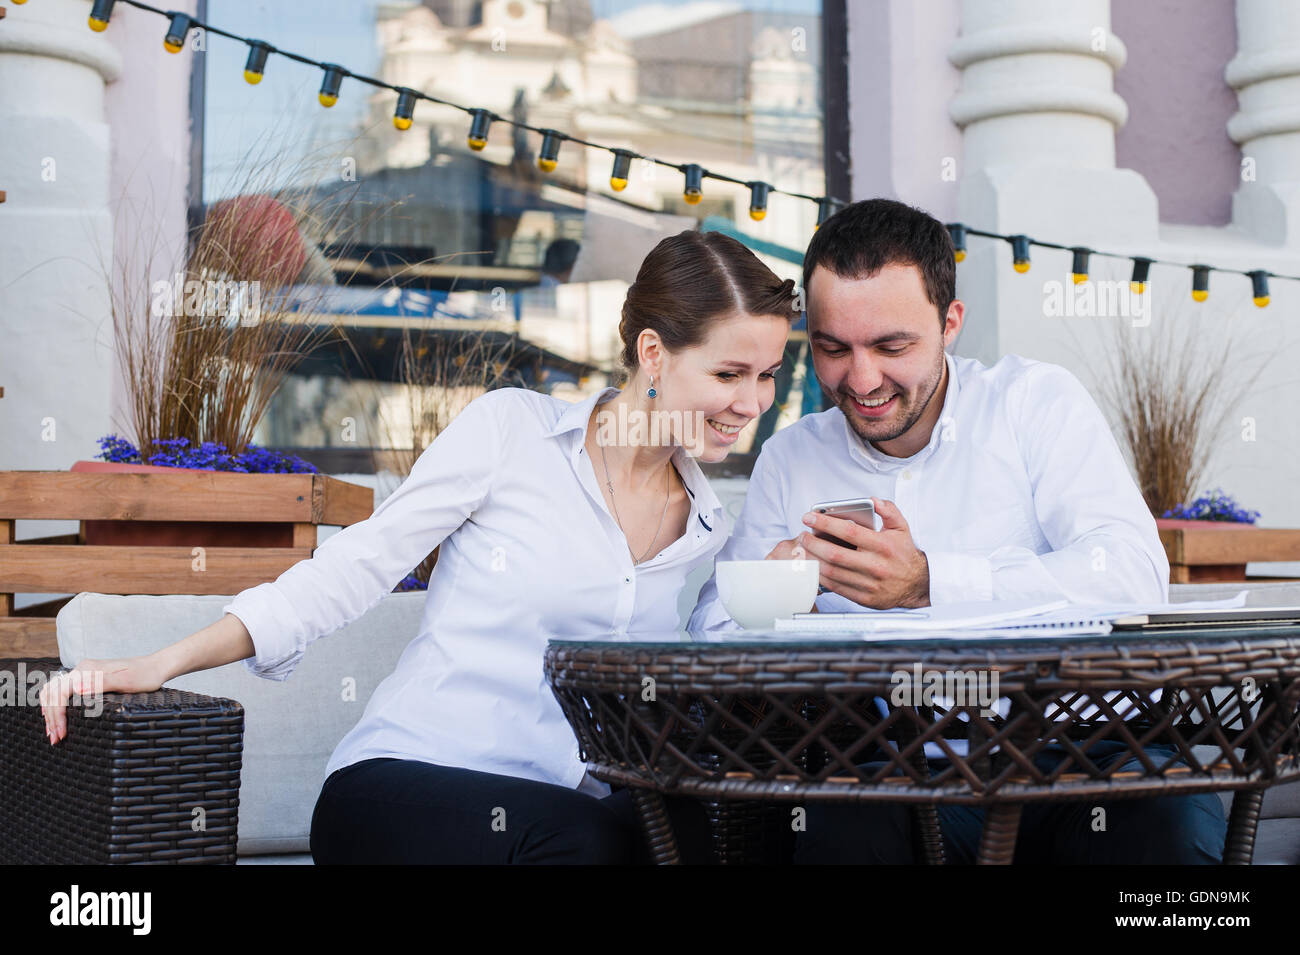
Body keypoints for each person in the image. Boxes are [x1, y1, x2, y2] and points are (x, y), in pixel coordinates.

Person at [41, 229, 798, 865]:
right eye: (729, 372)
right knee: (588, 846)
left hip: (571, 805)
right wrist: (161, 660)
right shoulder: (514, 433)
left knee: (713, 834)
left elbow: (696, 676)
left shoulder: (706, 520)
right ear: (655, 354)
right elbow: (357, 563)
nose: (753, 403)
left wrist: (782, 597)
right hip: (407, 786)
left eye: (767, 376)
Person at [689, 198, 1227, 864]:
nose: (861, 380)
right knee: (841, 831)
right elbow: (706, 634)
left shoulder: (1034, 403)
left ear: (951, 324)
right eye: (833, 348)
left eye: (891, 346)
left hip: (1091, 749)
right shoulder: (792, 456)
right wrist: (773, 590)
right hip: (894, 770)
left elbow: (1131, 573)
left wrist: (930, 583)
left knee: (1169, 842)